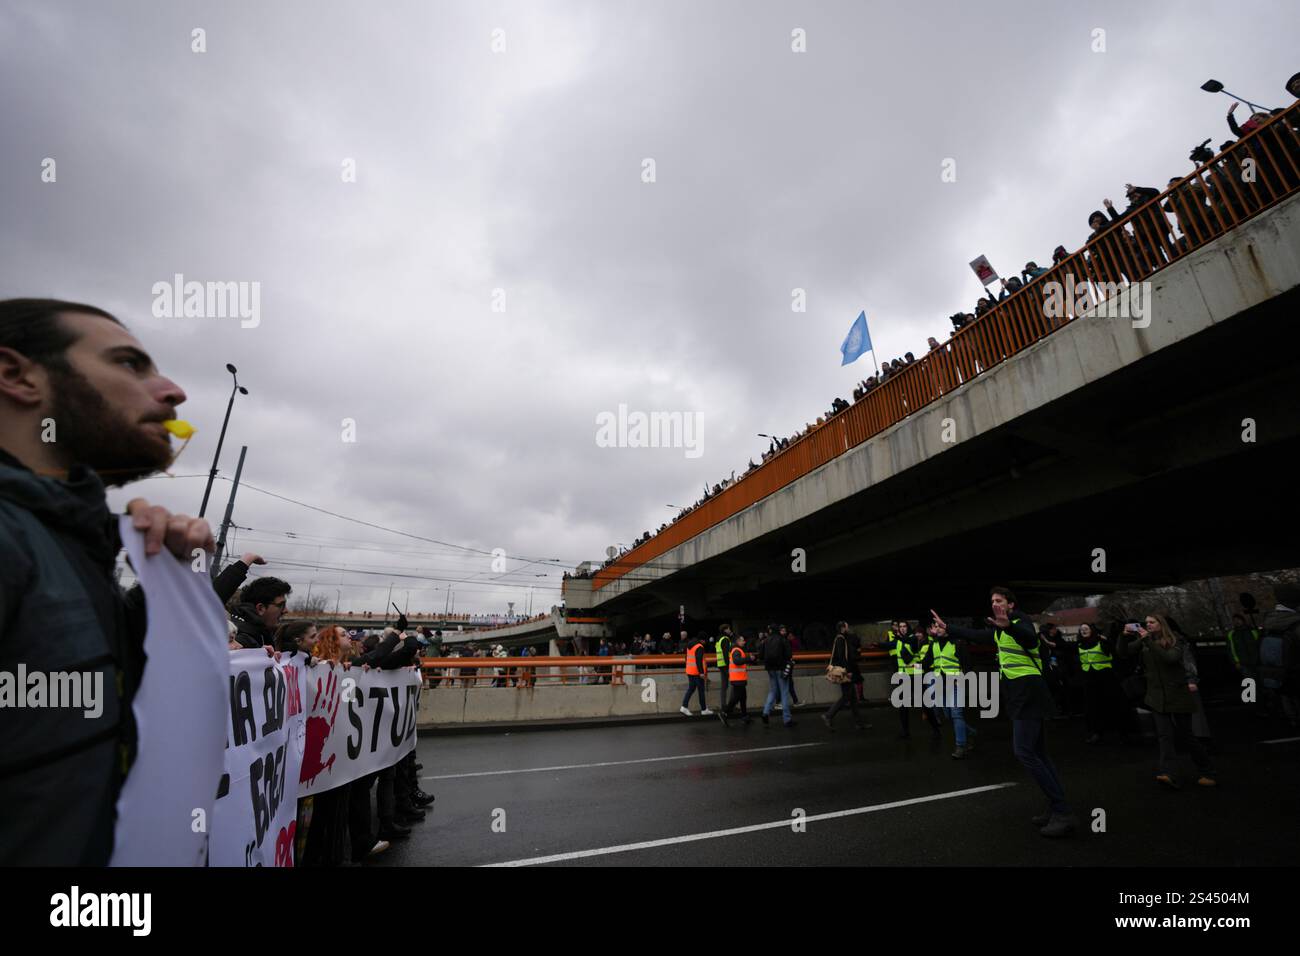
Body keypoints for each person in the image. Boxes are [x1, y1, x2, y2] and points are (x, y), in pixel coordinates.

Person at [0, 297, 217, 865]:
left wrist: (170, 588)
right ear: (16, 376)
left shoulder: (75, 541)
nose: (173, 393)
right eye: (129, 364)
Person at [933, 588, 1078, 838]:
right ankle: (1056, 805)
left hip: (1028, 693)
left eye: (999, 600)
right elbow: (978, 635)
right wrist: (949, 627)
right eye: (992, 601)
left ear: (1011, 604)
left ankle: (1063, 811)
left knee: (1024, 751)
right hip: (1021, 693)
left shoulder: (1020, 622)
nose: (994, 604)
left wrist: (1008, 625)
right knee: (1039, 752)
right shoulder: (1001, 629)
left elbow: (1029, 639)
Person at [1116, 614, 1216, 789]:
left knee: (1187, 736)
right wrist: (1123, 636)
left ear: (1161, 625)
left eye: (1152, 622)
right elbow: (1123, 652)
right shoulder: (1146, 642)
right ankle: (1168, 773)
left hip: (1177, 694)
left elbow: (1169, 658)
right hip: (1157, 696)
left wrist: (1148, 641)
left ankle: (1207, 771)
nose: (1148, 625)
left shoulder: (1176, 640)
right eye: (1146, 623)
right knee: (1164, 736)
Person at [926, 618, 975, 757]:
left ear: (946, 627)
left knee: (956, 713)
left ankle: (961, 746)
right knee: (948, 715)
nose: (938, 629)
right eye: (935, 627)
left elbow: (968, 665)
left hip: (955, 683)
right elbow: (925, 663)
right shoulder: (933, 644)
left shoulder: (958, 643)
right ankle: (970, 733)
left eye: (940, 626)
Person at [1076, 622, 1132, 744]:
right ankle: (1097, 732)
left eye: (1086, 629)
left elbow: (1116, 653)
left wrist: (1107, 641)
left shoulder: (1101, 641)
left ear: (1092, 630)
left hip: (1106, 678)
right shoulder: (1079, 644)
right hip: (1089, 679)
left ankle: (1123, 733)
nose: (1083, 631)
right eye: (1081, 629)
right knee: (1093, 707)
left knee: (1114, 704)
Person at [822, 622, 867, 731]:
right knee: (847, 697)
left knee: (853, 699)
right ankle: (828, 715)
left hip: (844, 671)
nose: (848, 628)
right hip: (844, 672)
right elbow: (842, 657)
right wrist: (847, 671)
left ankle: (859, 723)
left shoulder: (841, 638)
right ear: (843, 628)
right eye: (847, 626)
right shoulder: (840, 639)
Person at [229, 576, 292, 650]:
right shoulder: (240, 640)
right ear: (260, 608)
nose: (286, 610)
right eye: (281, 605)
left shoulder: (257, 634)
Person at [760, 623, 794, 727]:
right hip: (781, 668)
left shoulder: (766, 640)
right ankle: (787, 719)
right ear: (778, 630)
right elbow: (789, 654)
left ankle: (766, 712)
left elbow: (761, 655)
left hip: (770, 669)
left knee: (773, 691)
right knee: (784, 692)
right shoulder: (782, 640)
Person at [718, 634, 751, 725]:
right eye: (742, 640)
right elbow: (737, 661)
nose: (744, 642)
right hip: (738, 679)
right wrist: (748, 658)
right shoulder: (736, 650)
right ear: (737, 641)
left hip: (739, 679)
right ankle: (724, 713)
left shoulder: (736, 649)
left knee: (743, 698)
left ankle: (745, 716)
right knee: (735, 699)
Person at [679, 631, 713, 716]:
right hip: (697, 672)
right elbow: (699, 660)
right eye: (705, 640)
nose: (706, 642)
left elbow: (686, 658)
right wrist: (701, 672)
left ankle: (684, 707)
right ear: (702, 640)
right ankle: (704, 709)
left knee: (691, 689)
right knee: (701, 690)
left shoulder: (689, 645)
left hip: (690, 671)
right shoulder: (699, 647)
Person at [713, 624, 733, 710]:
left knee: (724, 686)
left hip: (721, 665)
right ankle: (731, 705)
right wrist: (729, 667)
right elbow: (726, 654)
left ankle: (723, 705)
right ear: (725, 630)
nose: (730, 630)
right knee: (734, 685)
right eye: (729, 629)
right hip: (726, 665)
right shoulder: (725, 639)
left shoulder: (719, 639)